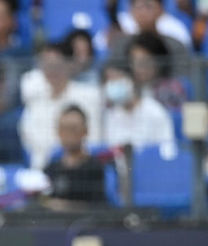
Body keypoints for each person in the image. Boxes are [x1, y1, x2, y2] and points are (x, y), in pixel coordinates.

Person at [19, 41, 102, 170]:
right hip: (43, 170)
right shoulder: (35, 103)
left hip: (81, 168)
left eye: (56, 65)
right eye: (46, 65)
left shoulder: (89, 96)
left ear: (69, 64)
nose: (51, 70)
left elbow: (94, 139)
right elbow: (29, 144)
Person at [42, 105, 108, 210]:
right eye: (63, 129)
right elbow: (42, 201)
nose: (68, 134)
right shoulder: (51, 169)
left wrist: (66, 207)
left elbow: (99, 208)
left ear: (85, 131)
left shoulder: (95, 168)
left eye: (73, 129)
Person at [102, 61, 175, 149]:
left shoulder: (154, 111)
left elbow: (167, 150)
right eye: (109, 80)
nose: (112, 84)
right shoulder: (111, 115)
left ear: (131, 80)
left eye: (116, 78)